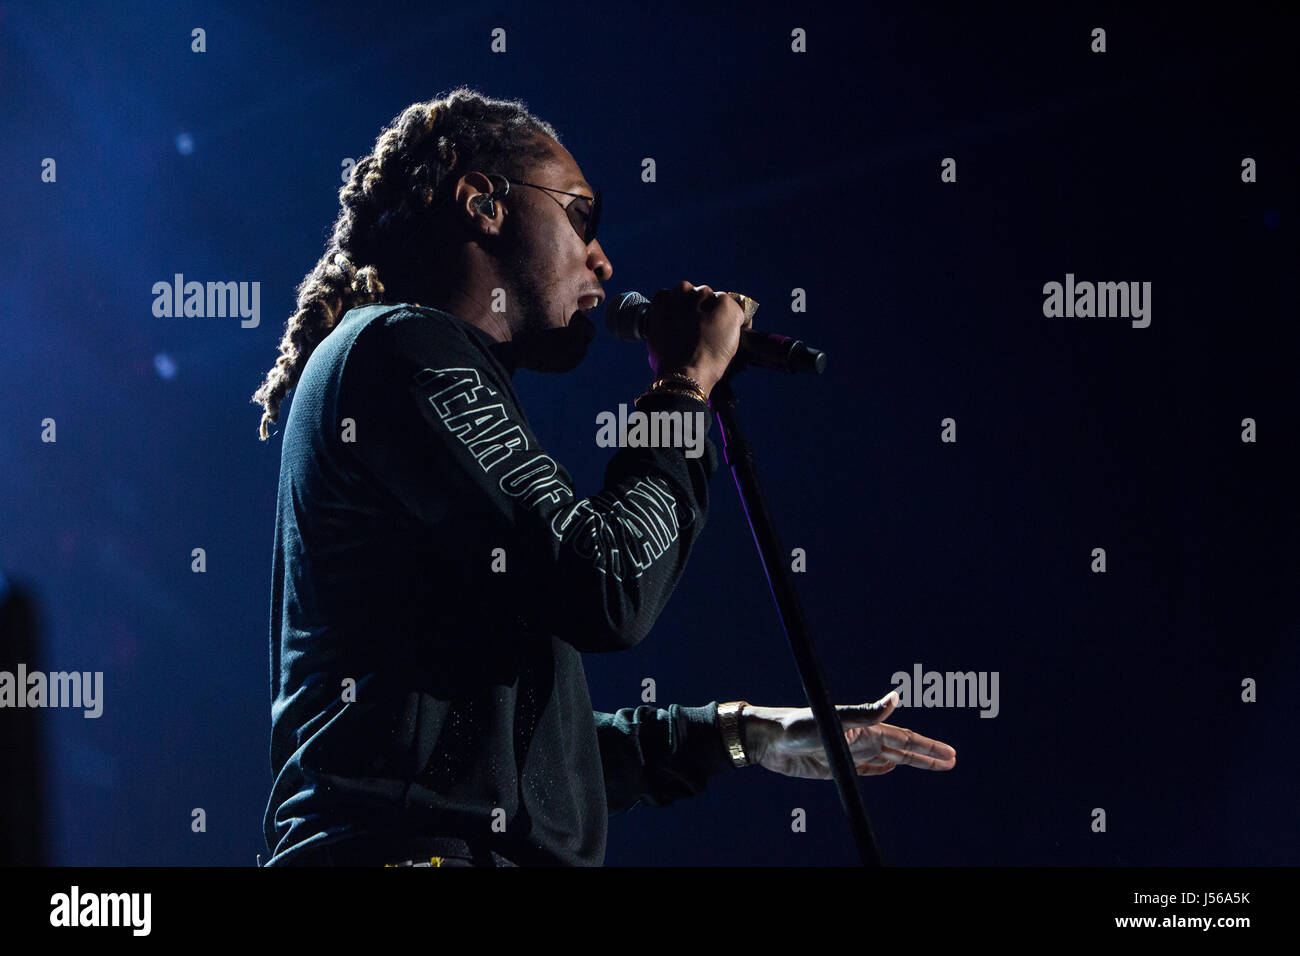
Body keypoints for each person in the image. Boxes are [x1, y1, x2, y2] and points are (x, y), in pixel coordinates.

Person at [251, 87, 956, 868]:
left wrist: (745, 732)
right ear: (483, 203)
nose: (603, 260)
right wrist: (684, 386)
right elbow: (607, 581)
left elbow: (528, 763)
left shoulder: (414, 370)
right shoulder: (401, 349)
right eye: (581, 216)